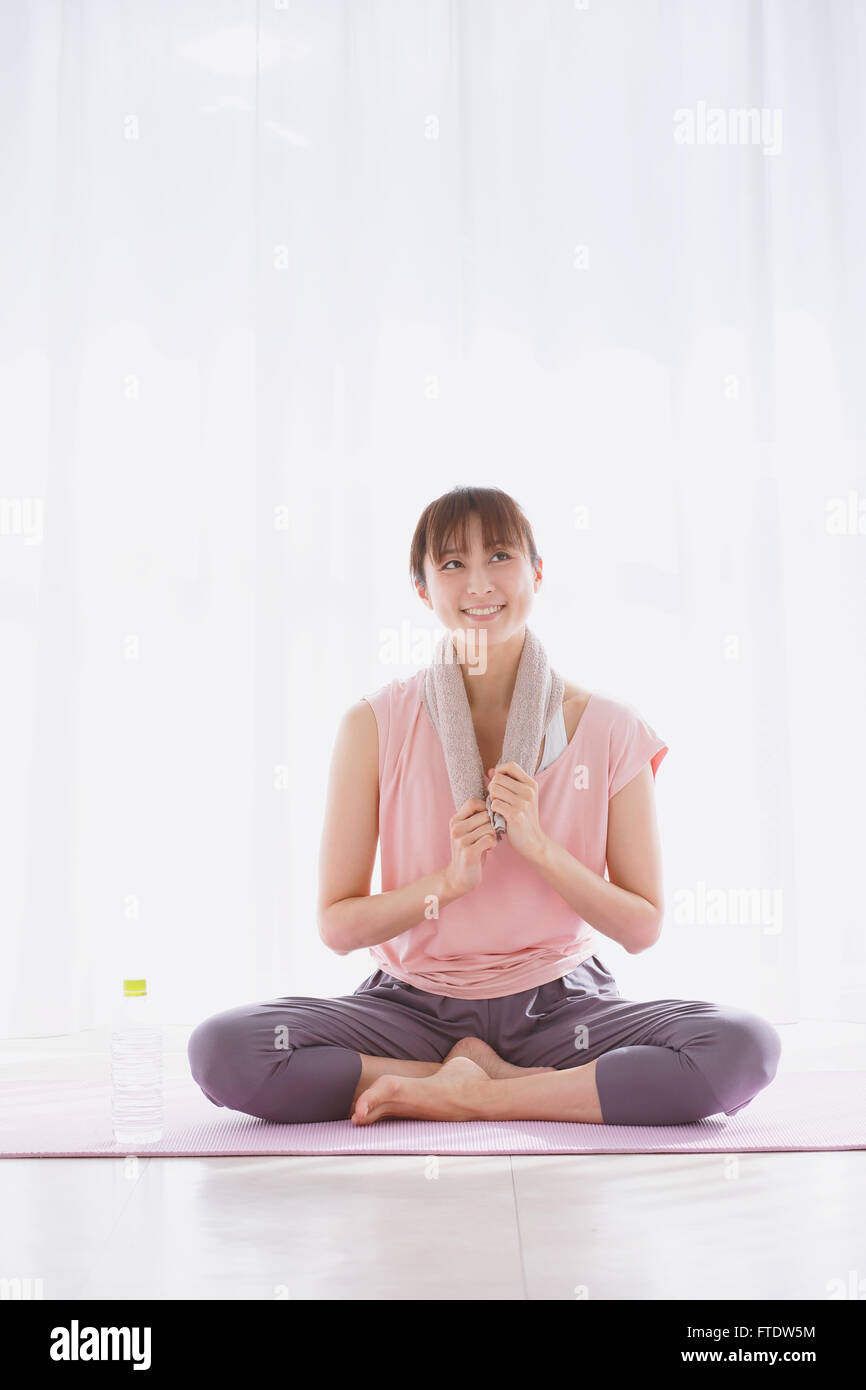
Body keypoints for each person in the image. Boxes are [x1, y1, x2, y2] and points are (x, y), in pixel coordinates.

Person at [188, 486, 781, 1127]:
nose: (479, 583)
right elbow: (338, 927)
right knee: (225, 1051)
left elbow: (641, 928)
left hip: (563, 1011)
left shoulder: (611, 726)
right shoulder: (373, 725)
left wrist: (539, 847)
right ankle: (500, 1085)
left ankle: (478, 1092)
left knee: (743, 1047)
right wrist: (449, 883)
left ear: (537, 572)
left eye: (500, 556)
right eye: (451, 564)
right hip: (410, 1010)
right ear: (423, 590)